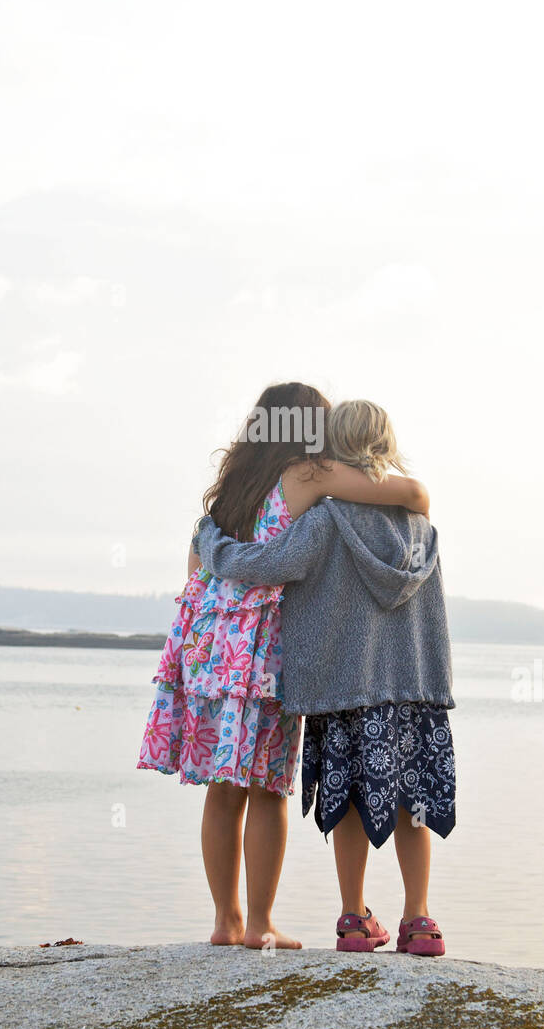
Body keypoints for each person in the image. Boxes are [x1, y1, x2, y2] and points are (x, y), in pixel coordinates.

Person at [138, 384, 430, 950]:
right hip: (263, 651)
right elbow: (411, 492)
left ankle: (226, 922)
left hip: (204, 649)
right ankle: (260, 925)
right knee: (267, 787)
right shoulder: (307, 475)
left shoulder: (229, 494)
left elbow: (194, 578)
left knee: (223, 787)